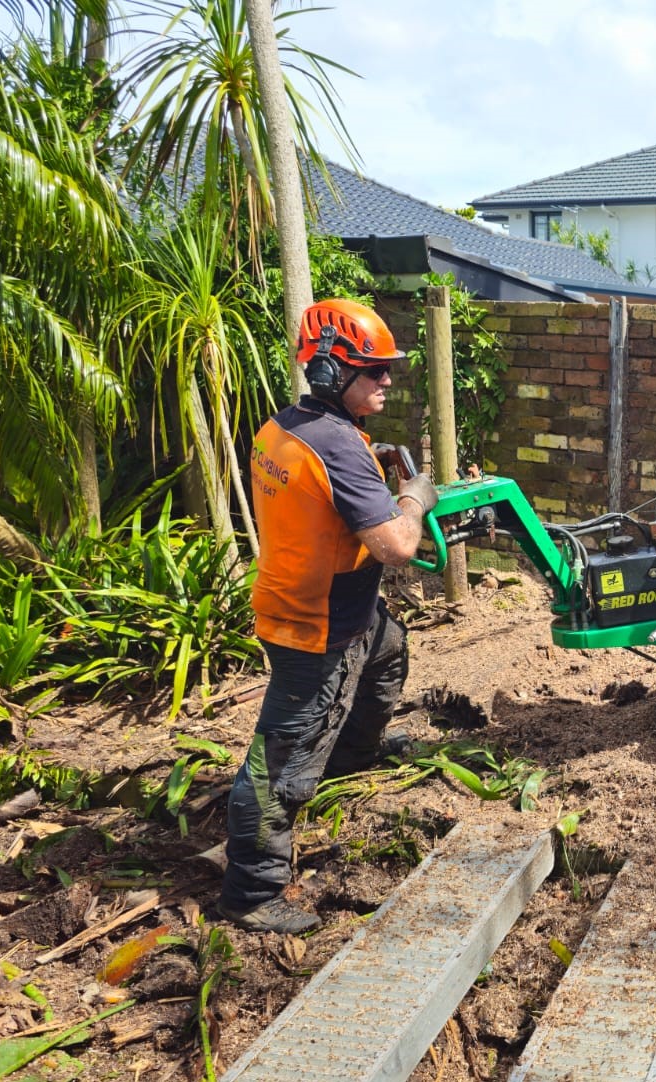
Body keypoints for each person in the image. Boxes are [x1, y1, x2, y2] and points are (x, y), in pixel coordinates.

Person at [219, 298, 439, 933]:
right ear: (327, 371)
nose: (387, 380)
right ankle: (252, 894)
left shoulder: (284, 427)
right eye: (373, 371)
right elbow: (396, 546)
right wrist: (412, 498)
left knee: (387, 653)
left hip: (322, 601)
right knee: (281, 755)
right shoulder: (338, 446)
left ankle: (352, 757)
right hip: (313, 621)